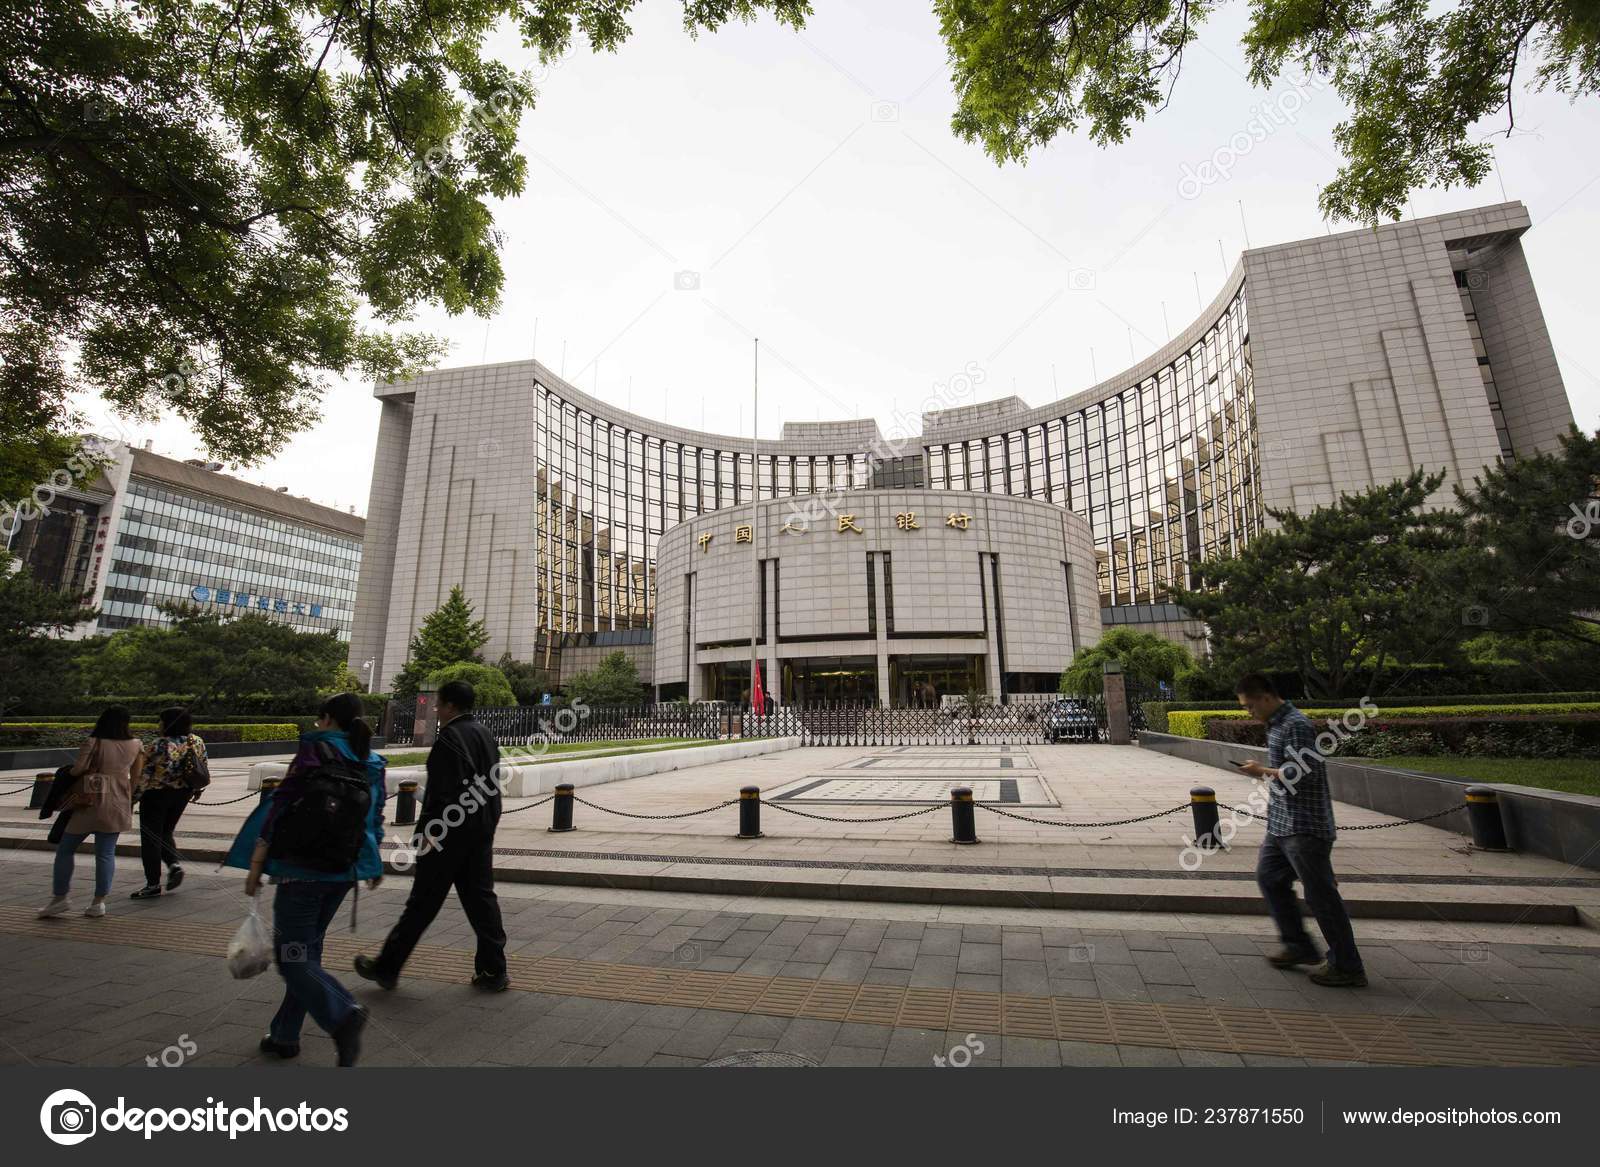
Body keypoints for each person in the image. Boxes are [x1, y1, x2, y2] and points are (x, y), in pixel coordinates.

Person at [224, 693, 385, 1066]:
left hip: (302, 870)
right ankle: (284, 1034)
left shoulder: (316, 751)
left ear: (328, 719)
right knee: (306, 951)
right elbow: (374, 815)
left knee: (292, 957)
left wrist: (256, 861)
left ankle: (344, 1015)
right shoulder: (371, 759)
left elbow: (280, 808)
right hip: (343, 870)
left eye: (319, 720)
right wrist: (372, 864)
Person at [354, 679, 508, 992]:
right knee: (481, 900)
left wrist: (428, 831)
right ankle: (494, 971)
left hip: (448, 834)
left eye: (439, 703)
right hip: (479, 829)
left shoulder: (450, 737)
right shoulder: (485, 734)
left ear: (451, 705)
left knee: (422, 902)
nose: (436, 708)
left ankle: (387, 967)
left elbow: (441, 793)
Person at [1234, 673, 1366, 988]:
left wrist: (1260, 771)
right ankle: (1299, 946)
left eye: (1250, 706)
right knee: (1269, 878)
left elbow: (1300, 773)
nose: (1248, 713)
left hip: (1304, 826)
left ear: (1266, 697)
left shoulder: (1296, 725)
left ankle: (1347, 965)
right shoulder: (1278, 725)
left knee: (1321, 897)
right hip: (1281, 825)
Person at [38, 706, 142, 919]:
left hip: (90, 797)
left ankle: (60, 898)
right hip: (118, 799)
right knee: (106, 853)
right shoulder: (136, 744)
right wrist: (125, 796)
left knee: (66, 849)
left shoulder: (93, 742)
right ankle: (98, 903)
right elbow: (136, 776)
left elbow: (78, 770)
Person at [130, 706, 209, 899]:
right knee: (166, 831)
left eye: (161, 720)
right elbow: (202, 765)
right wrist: (197, 789)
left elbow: (145, 775)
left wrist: (133, 799)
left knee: (150, 839)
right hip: (182, 794)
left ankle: (153, 884)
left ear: (168, 723)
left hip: (156, 795)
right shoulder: (196, 741)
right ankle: (174, 865)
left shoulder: (159, 744)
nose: (159, 724)